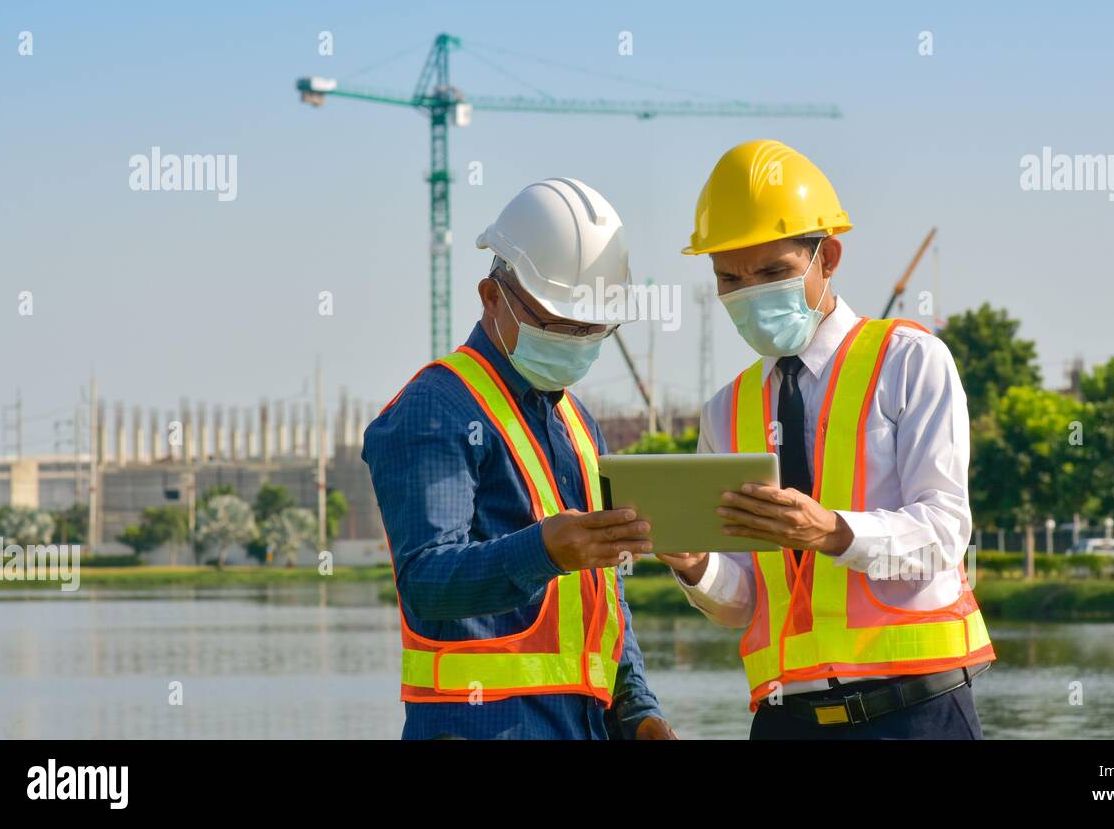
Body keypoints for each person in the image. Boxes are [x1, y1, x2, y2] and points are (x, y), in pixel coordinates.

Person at [657, 140, 995, 739]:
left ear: (828, 256)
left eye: (772, 273)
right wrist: (695, 566)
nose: (749, 293)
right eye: (729, 278)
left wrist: (831, 530)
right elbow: (744, 602)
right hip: (787, 721)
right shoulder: (724, 412)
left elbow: (944, 536)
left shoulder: (909, 361)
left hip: (915, 713)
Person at [364, 177, 676, 740]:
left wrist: (636, 709)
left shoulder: (578, 424)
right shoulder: (435, 409)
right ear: (491, 297)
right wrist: (543, 551)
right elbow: (426, 581)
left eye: (593, 329)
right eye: (560, 326)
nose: (578, 342)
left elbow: (604, 595)